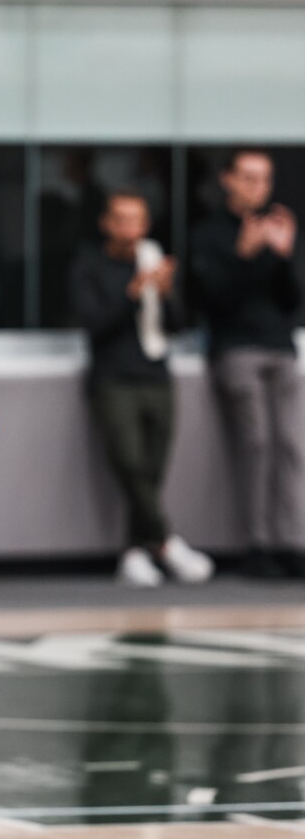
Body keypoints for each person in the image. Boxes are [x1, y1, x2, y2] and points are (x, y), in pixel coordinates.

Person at [71, 189, 213, 588]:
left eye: (137, 220)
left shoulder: (154, 260)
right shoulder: (91, 264)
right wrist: (132, 294)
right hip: (113, 378)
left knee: (151, 471)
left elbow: (178, 326)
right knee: (129, 464)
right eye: (122, 219)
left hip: (156, 376)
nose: (130, 228)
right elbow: (93, 323)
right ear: (106, 223)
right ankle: (166, 544)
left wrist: (165, 294)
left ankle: (135, 552)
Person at [191, 149, 305, 578]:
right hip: (237, 346)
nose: (258, 187)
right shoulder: (211, 233)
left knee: (292, 445)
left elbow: (293, 300)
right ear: (229, 180)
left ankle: (292, 541)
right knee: (255, 444)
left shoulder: (278, 226)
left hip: (281, 345)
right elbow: (211, 300)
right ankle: (257, 544)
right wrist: (243, 255)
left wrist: (284, 255)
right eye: (249, 178)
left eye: (265, 179)